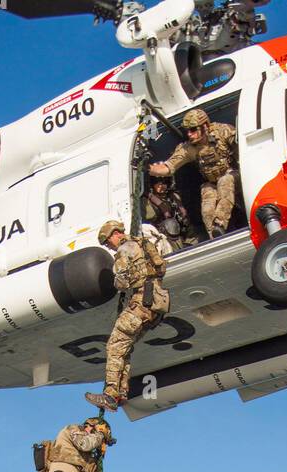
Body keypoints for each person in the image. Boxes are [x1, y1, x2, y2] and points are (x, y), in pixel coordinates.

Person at [85, 220, 169, 413]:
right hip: (157, 304)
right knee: (125, 346)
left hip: (141, 302)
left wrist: (116, 280)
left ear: (115, 234)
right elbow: (161, 268)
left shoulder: (125, 249)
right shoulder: (144, 244)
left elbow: (121, 282)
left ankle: (110, 394)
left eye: (107, 242)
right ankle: (121, 393)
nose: (109, 246)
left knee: (115, 345)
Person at [149, 108, 239, 239]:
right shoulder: (188, 148)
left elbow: (242, 144)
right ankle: (216, 236)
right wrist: (148, 168)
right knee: (207, 203)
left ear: (205, 126)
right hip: (213, 183)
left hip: (235, 177)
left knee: (225, 181)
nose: (189, 134)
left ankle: (220, 223)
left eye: (193, 130)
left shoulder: (223, 131)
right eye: (187, 131)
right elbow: (167, 168)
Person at [143, 172, 198, 253]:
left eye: (164, 183)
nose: (161, 186)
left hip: (180, 229)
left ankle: (191, 245)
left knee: (186, 222)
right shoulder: (148, 201)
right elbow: (150, 221)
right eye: (157, 183)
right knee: (170, 224)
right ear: (152, 185)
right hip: (162, 234)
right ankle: (176, 251)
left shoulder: (174, 196)